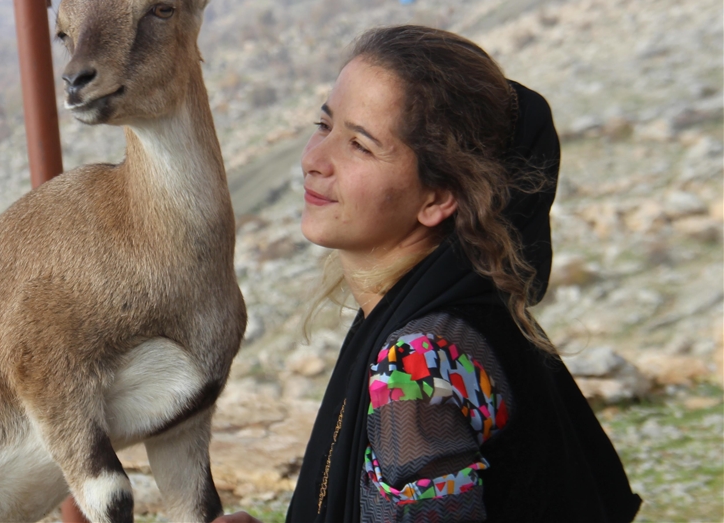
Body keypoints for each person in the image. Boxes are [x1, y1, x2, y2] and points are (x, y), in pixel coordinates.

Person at [218, 25, 640, 522]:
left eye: (360, 145)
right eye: (324, 125)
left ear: (438, 197)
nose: (314, 160)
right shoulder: (473, 320)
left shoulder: (418, 362)